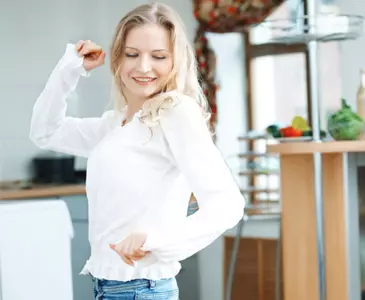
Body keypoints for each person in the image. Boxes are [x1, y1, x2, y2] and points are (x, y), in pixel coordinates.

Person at [29, 2, 245, 299]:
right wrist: (70, 69)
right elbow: (45, 131)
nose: (143, 67)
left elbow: (227, 204)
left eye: (158, 56)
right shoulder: (115, 126)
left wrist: (156, 241)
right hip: (108, 287)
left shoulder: (174, 113)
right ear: (117, 58)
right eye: (132, 54)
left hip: (142, 289)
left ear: (174, 62)